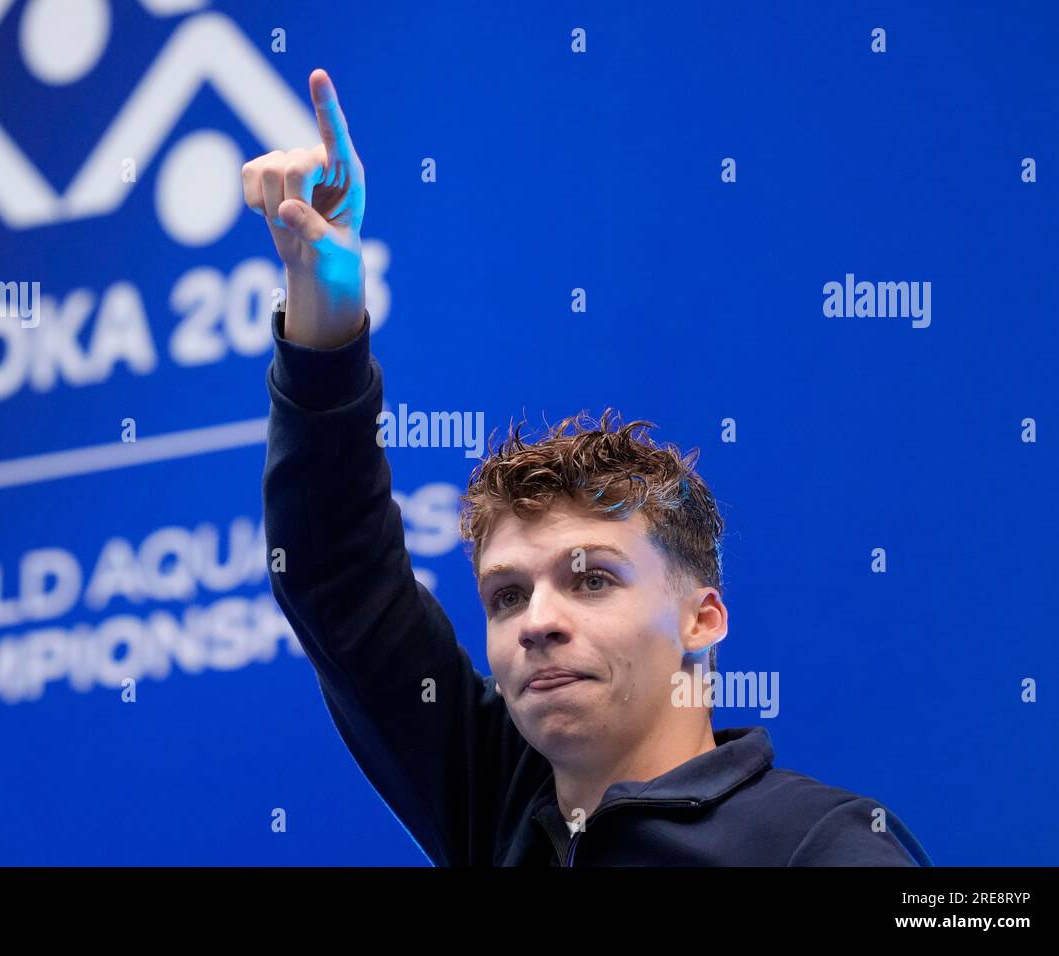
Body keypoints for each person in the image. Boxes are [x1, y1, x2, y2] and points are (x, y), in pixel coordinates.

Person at [245, 68, 933, 867]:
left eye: (592, 579)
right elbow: (335, 575)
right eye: (506, 596)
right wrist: (322, 303)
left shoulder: (817, 844)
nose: (537, 622)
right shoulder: (496, 806)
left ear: (701, 619)